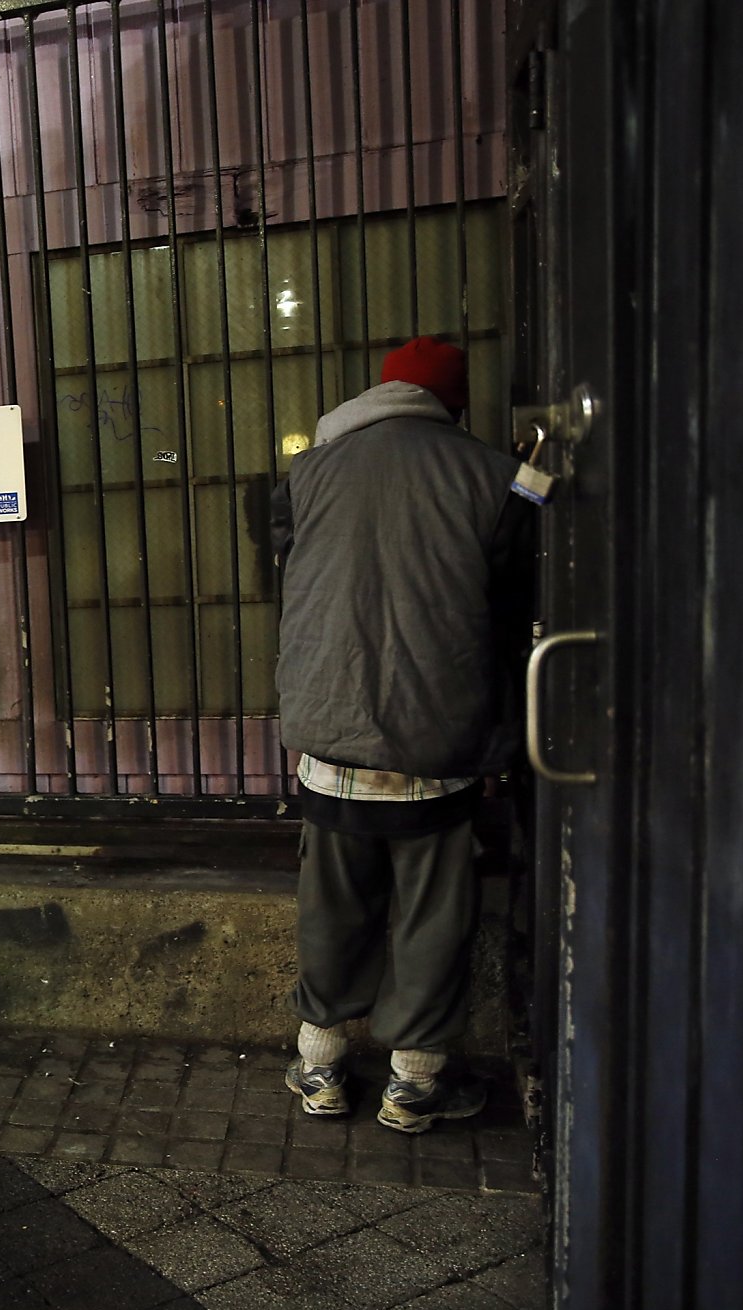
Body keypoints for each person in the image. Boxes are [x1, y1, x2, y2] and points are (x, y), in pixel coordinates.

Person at [270, 337, 531, 1134]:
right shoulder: (497, 477)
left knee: (332, 906)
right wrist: (500, 743)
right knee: (432, 916)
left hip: (328, 738)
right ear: (456, 406)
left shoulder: (308, 472)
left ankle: (320, 1066)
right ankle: (413, 1084)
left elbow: (286, 580)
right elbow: (510, 619)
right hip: (435, 741)